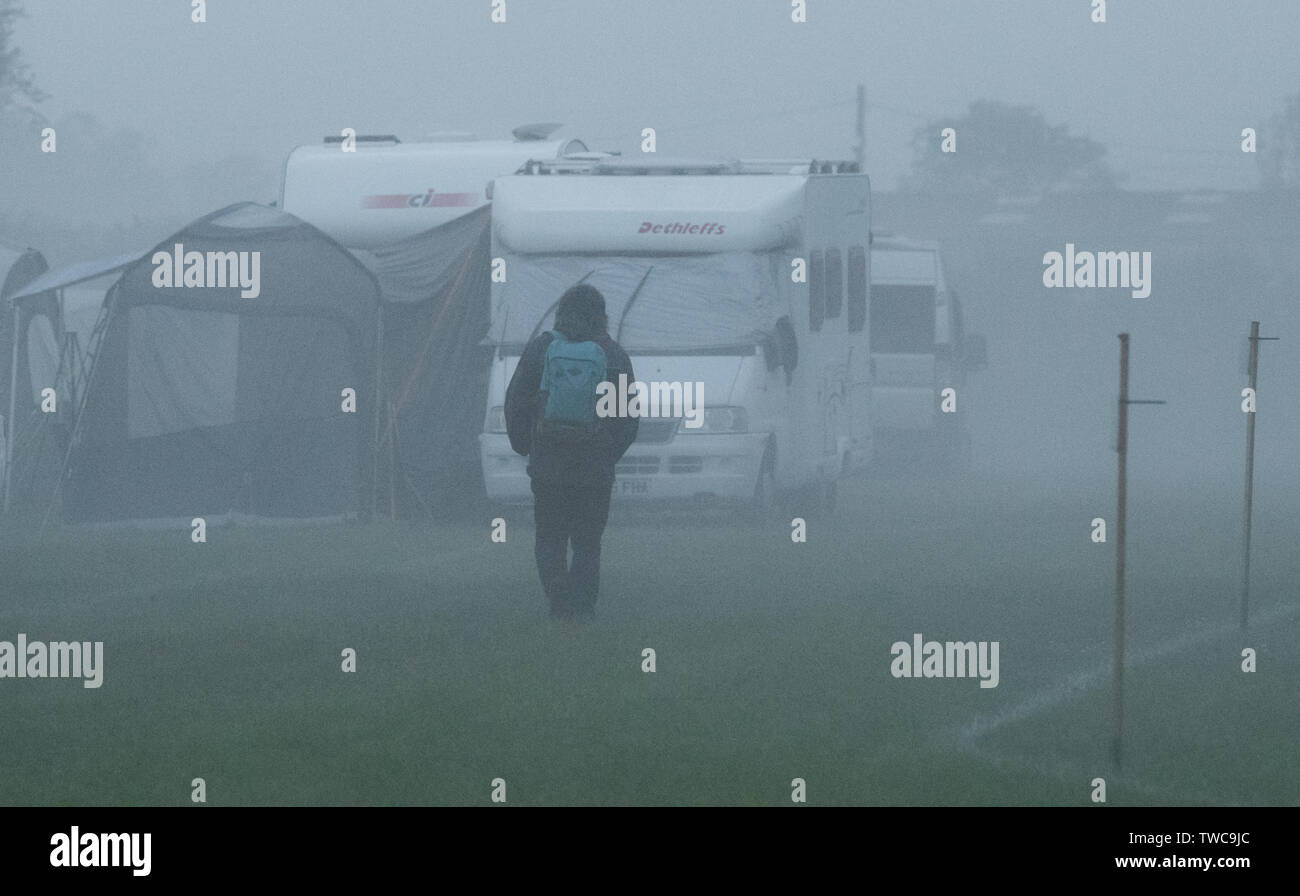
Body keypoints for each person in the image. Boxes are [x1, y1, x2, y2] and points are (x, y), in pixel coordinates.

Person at [504, 284, 638, 618]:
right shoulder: (614, 356)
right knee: (587, 542)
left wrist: (525, 445)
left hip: (548, 465)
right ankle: (582, 609)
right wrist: (608, 454)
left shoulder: (541, 349)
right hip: (594, 470)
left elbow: (515, 401)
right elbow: (628, 418)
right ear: (602, 316)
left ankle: (557, 592)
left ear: (561, 312)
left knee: (550, 536)